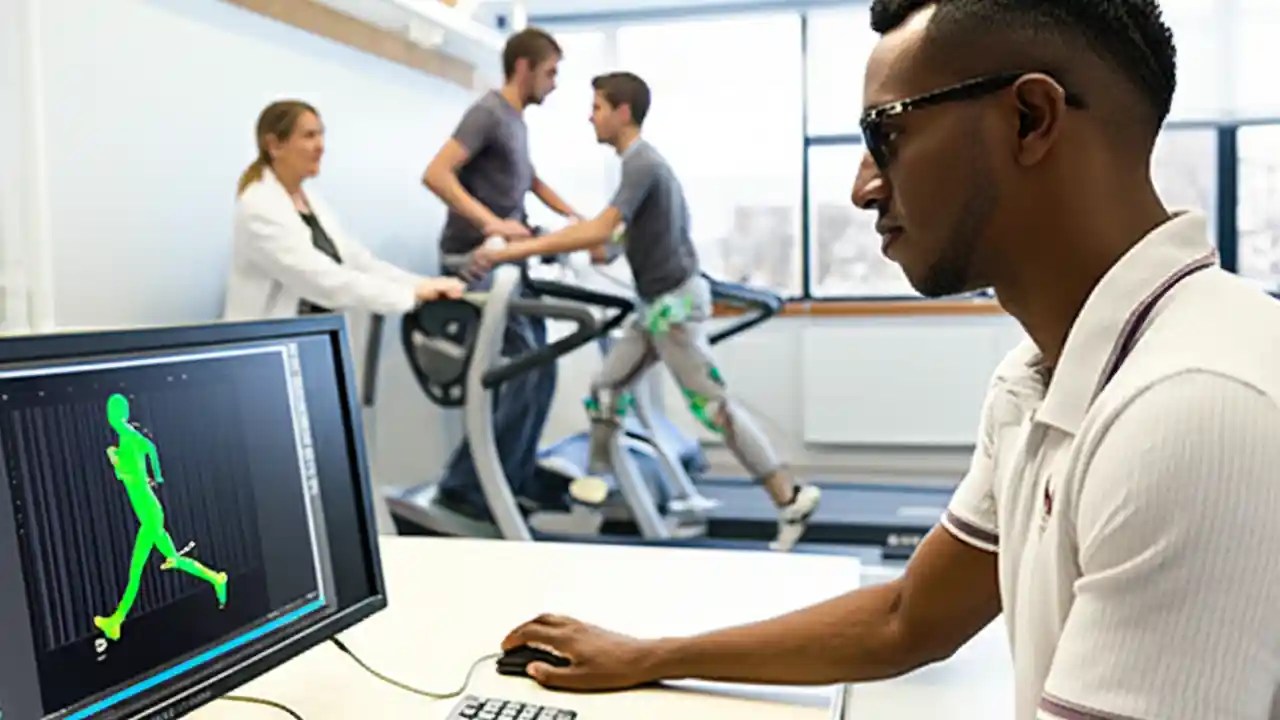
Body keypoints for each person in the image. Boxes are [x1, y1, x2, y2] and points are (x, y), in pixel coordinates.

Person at [499, 2, 1280, 718]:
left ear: (1030, 119)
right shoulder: (1040, 374)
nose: (862, 186)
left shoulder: (1190, 409)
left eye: (886, 134)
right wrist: (650, 657)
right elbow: (909, 617)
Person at [470, 71, 822, 552]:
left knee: (714, 408)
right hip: (656, 306)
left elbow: (602, 231)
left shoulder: (642, 163)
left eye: (596, 107)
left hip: (673, 311)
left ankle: (790, 499)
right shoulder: (638, 166)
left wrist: (508, 252)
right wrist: (578, 242)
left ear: (622, 112)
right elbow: (612, 242)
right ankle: (596, 479)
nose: (589, 117)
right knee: (606, 388)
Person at [421, 28, 582, 521]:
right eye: (550, 72)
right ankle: (466, 485)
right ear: (523, 68)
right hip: (473, 261)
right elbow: (437, 173)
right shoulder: (488, 112)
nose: (554, 84)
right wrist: (490, 223)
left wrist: (580, 222)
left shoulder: (516, 121)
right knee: (526, 367)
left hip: (509, 263)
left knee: (542, 368)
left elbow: (530, 180)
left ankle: (509, 476)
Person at [224, 100, 463, 322]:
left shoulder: (311, 202)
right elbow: (320, 279)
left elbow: (358, 262)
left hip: (309, 335)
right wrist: (409, 295)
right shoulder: (260, 206)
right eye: (309, 136)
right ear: (274, 145)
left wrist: (425, 284)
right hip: (267, 343)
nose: (321, 146)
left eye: (321, 135)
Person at [94, 394, 227, 642]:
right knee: (174, 559)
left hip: (151, 516)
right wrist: (152, 473)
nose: (109, 416)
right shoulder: (124, 438)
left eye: (111, 410)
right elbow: (148, 453)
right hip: (150, 513)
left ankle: (116, 621)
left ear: (117, 412)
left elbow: (146, 455)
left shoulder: (125, 432)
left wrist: (143, 471)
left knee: (136, 571)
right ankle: (216, 578)